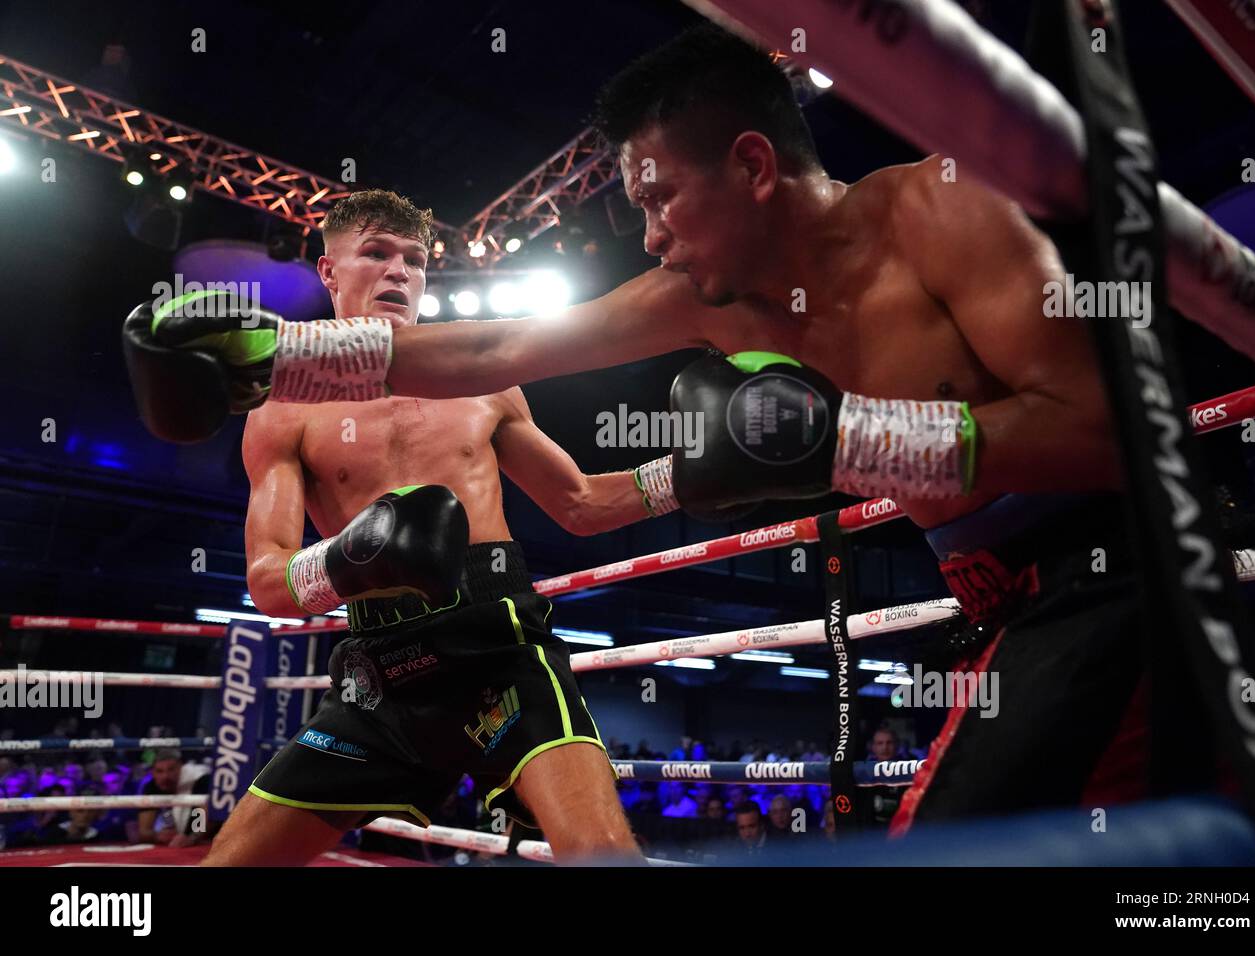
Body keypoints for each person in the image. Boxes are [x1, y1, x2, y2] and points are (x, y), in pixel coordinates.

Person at [126, 26, 1148, 831]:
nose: (651, 235)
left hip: (1115, 569)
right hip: (997, 598)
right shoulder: (705, 295)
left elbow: (1110, 434)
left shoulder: (946, 207)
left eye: (658, 199)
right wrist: (277, 354)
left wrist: (849, 440)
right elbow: (494, 348)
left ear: (751, 165)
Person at [189, 190, 665, 865]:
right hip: (379, 679)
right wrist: (350, 560)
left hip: (500, 651)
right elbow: (268, 584)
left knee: (604, 857)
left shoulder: (486, 379)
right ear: (328, 272)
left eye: (414, 260)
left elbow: (582, 502)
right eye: (377, 254)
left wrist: (693, 473)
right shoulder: (281, 407)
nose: (399, 272)